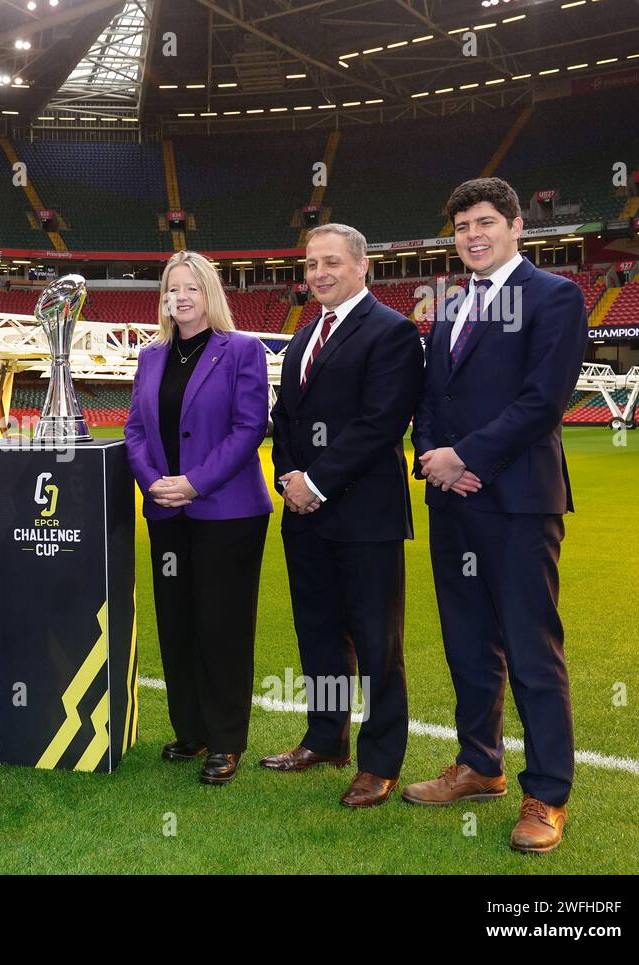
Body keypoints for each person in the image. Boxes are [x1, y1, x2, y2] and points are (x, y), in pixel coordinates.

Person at [407, 177, 588, 853]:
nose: (472, 235)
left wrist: (466, 455)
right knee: (467, 642)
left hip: (516, 501)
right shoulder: (452, 306)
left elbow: (544, 399)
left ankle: (547, 793)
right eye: (461, 227)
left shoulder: (555, 296)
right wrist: (431, 455)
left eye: (485, 221)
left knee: (532, 651)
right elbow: (431, 397)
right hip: (452, 502)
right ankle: (481, 763)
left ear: (517, 226)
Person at [261, 223, 425, 807]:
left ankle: (380, 762)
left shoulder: (393, 332)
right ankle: (326, 738)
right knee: (320, 636)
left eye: (331, 262)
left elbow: (381, 424)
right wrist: (289, 480)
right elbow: (286, 419)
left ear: (362, 266)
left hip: (365, 517)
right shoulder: (303, 338)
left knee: (378, 645)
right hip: (304, 516)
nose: (318, 273)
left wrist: (318, 481)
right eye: (310, 265)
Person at [123, 250, 273, 786]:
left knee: (223, 626)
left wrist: (194, 482)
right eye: (171, 289)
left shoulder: (241, 351)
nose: (180, 297)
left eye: (191, 287)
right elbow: (135, 431)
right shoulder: (150, 357)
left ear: (210, 293)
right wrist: (153, 482)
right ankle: (192, 731)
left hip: (226, 513)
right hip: (166, 512)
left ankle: (226, 740)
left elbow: (249, 428)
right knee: (178, 622)